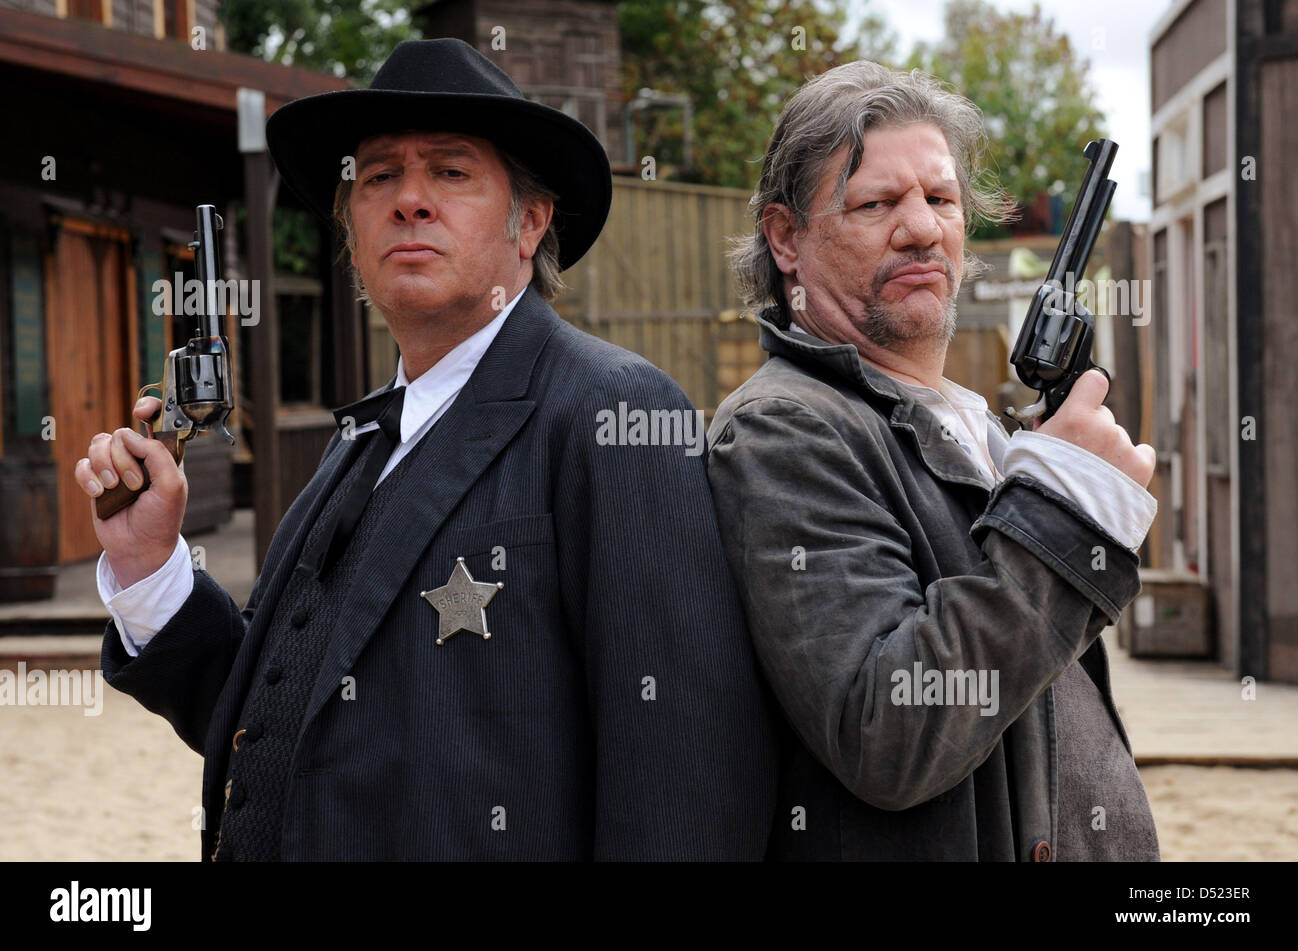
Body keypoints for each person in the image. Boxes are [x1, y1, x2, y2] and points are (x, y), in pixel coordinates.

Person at [78, 38, 777, 861]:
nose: (409, 200)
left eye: (450, 172)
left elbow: (683, 775)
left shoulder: (610, 411)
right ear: (352, 230)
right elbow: (266, 729)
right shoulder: (362, 441)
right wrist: (151, 566)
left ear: (532, 221)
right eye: (378, 177)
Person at [706, 60, 1160, 861]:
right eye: (877, 202)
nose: (921, 228)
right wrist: (1064, 510)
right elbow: (889, 731)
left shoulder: (982, 424)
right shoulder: (786, 429)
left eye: (941, 199)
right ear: (785, 238)